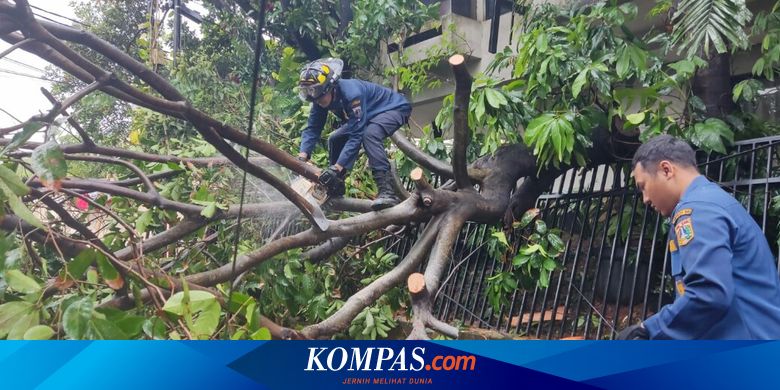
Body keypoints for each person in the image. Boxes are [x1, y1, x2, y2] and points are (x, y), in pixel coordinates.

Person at [616, 135, 780, 339]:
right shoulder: (711, 201)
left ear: (666, 170)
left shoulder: (698, 209)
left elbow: (709, 293)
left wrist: (649, 330)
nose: (645, 199)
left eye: (643, 186)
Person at [296, 58, 412, 211]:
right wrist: (302, 158)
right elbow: (313, 128)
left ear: (330, 87)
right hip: (369, 115)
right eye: (309, 92)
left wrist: (337, 168)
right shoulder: (320, 100)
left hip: (394, 109)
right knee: (335, 138)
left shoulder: (352, 94)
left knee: (370, 135)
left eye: (316, 91)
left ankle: (387, 192)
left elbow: (356, 135)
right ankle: (336, 186)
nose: (314, 97)